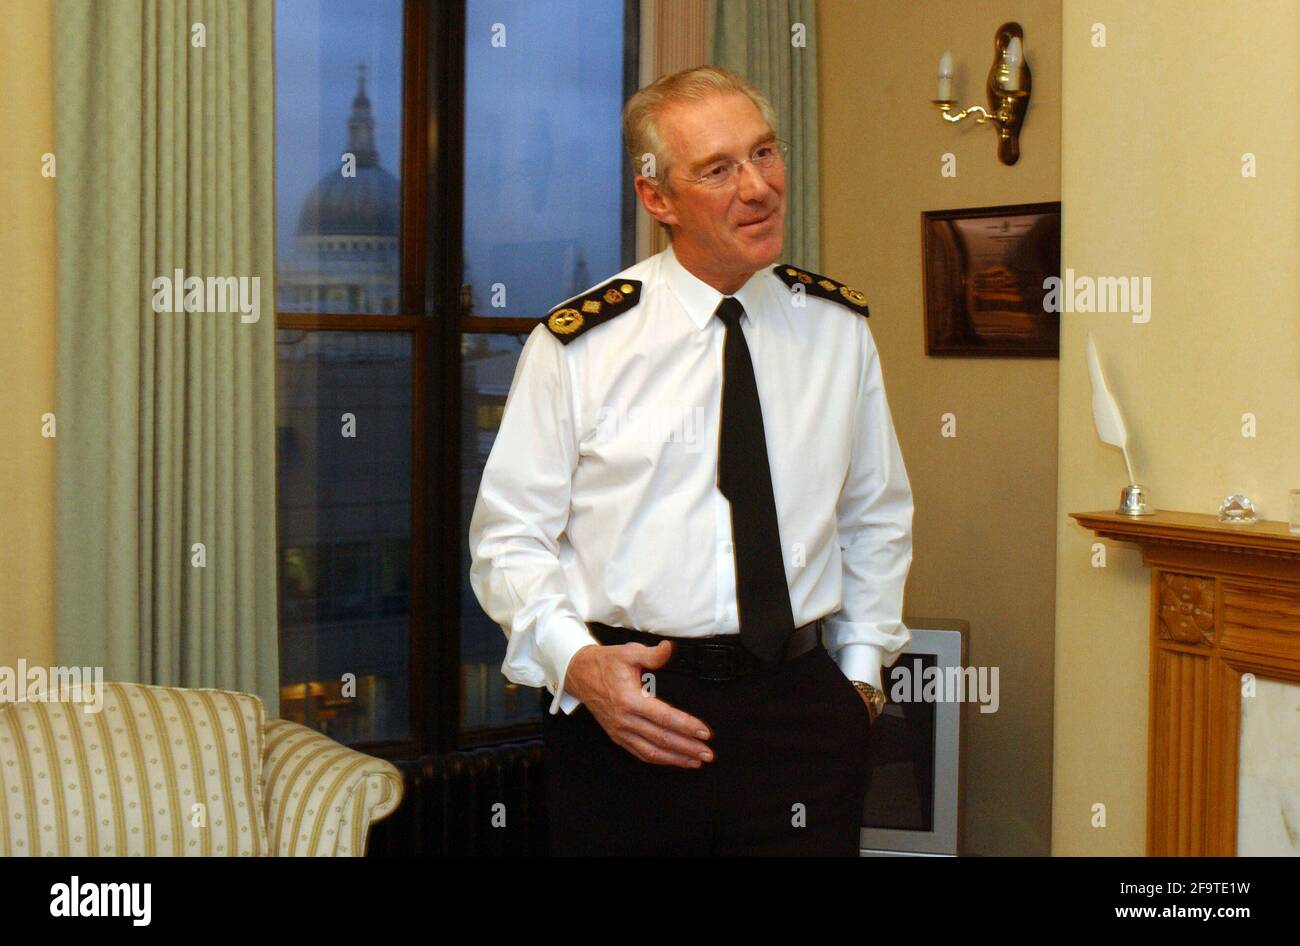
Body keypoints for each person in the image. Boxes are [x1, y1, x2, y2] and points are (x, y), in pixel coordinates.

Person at [468, 65, 913, 856]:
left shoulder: (837, 329)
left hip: (803, 719)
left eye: (765, 154)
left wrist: (862, 675)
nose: (759, 187)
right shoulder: (581, 346)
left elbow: (874, 514)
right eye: (719, 169)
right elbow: (508, 543)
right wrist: (578, 666)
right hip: (633, 714)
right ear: (657, 199)